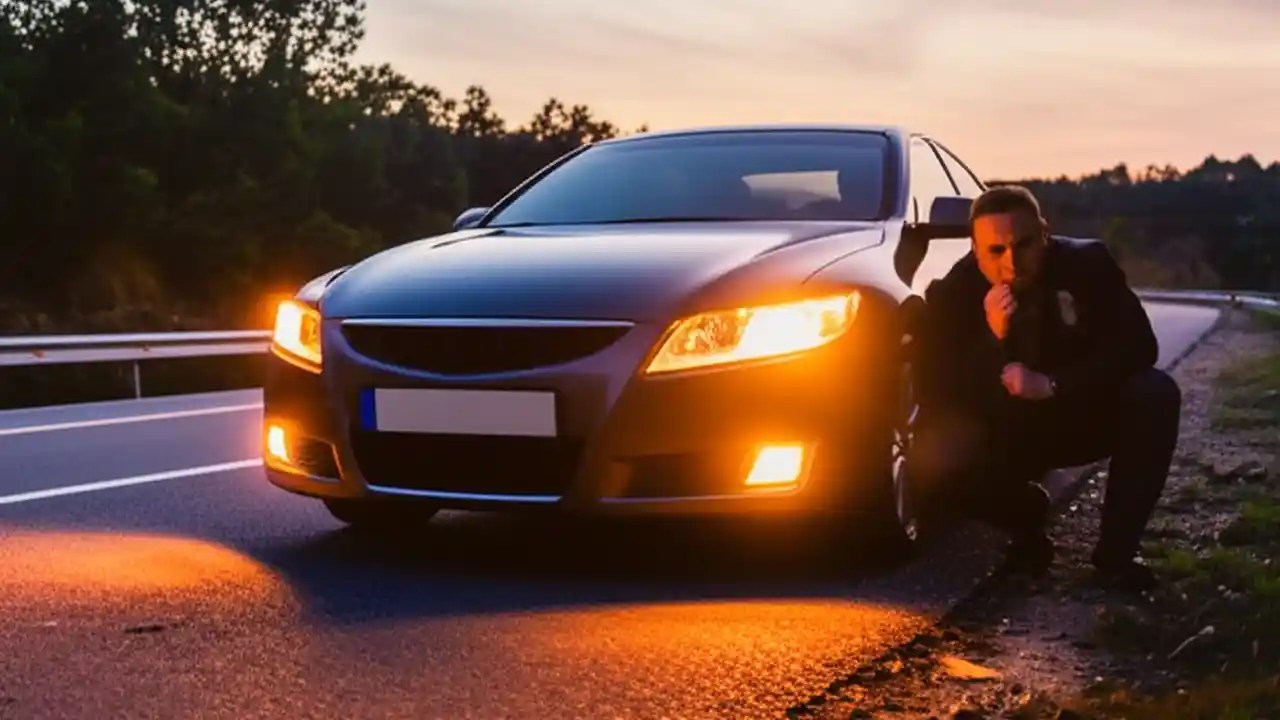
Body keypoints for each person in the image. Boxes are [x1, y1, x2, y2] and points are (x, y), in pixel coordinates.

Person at [912, 185, 1181, 591]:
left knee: (1155, 392)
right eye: (995, 252)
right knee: (929, 456)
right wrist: (992, 340)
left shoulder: (1087, 264)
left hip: (1080, 415)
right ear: (974, 249)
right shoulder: (954, 292)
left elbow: (1140, 346)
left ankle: (1115, 557)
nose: (1013, 264)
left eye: (1024, 245)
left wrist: (1054, 384)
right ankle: (1023, 520)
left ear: (1044, 233)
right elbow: (937, 388)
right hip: (1004, 435)